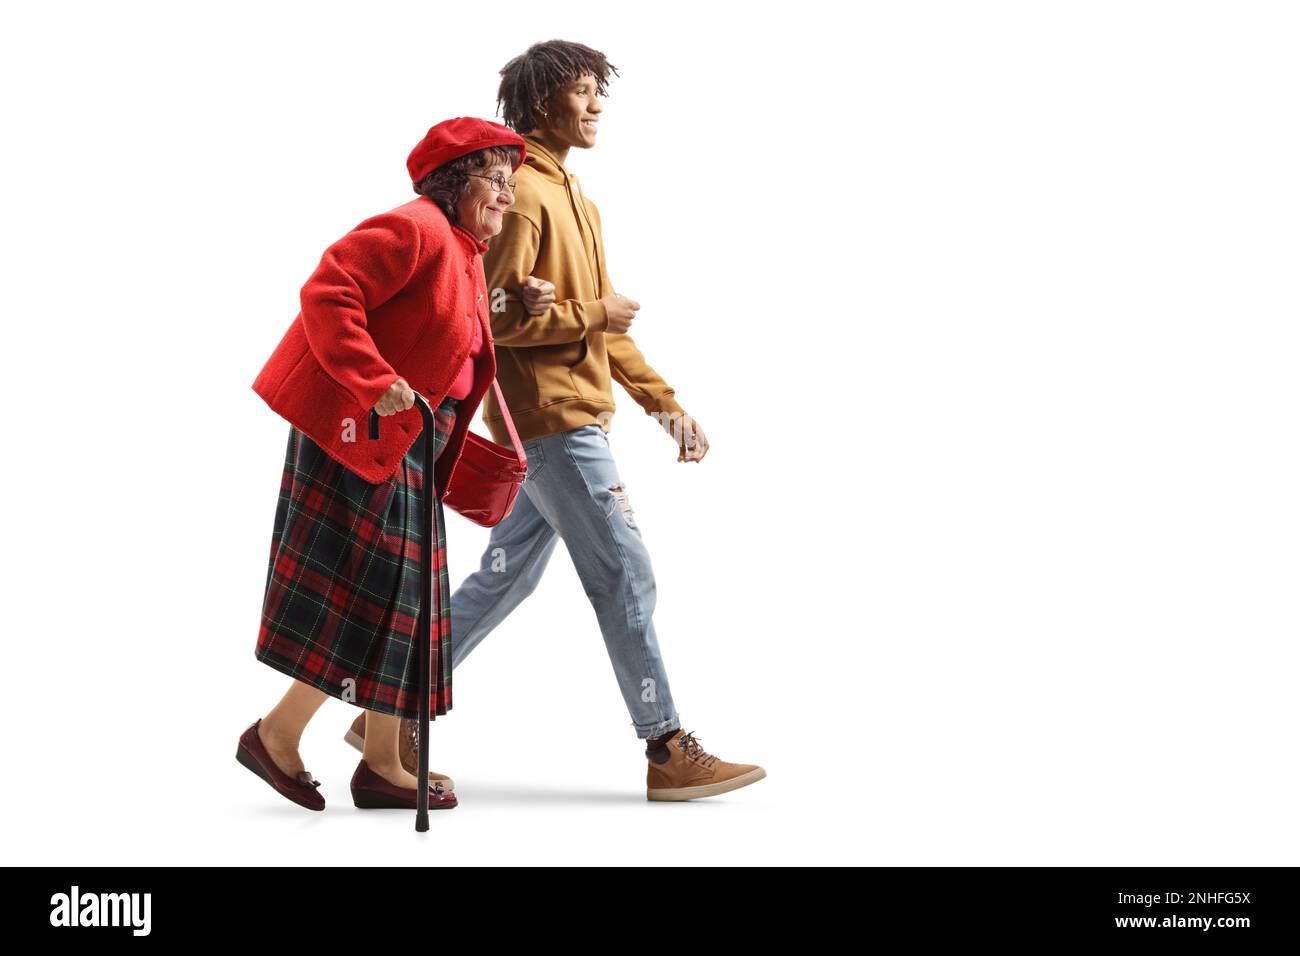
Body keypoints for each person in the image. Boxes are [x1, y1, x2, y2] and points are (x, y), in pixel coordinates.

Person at [344, 41, 766, 801]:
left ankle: (388, 708)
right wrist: (590, 313)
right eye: (581, 91)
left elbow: (605, 328)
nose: (596, 104)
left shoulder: (577, 197)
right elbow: (489, 317)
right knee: (625, 573)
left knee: (504, 581)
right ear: (542, 104)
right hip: (549, 423)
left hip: (566, 419)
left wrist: (663, 404)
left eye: (597, 91)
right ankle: (667, 748)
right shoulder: (525, 194)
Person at [236, 117, 526, 812]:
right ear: (455, 181)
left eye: (511, 185)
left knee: (409, 605)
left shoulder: (462, 247)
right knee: (365, 593)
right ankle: (275, 734)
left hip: (410, 438)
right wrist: (373, 380)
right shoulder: (417, 227)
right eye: (495, 180)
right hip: (362, 430)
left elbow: (452, 344)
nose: (507, 198)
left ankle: (383, 760)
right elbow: (329, 292)